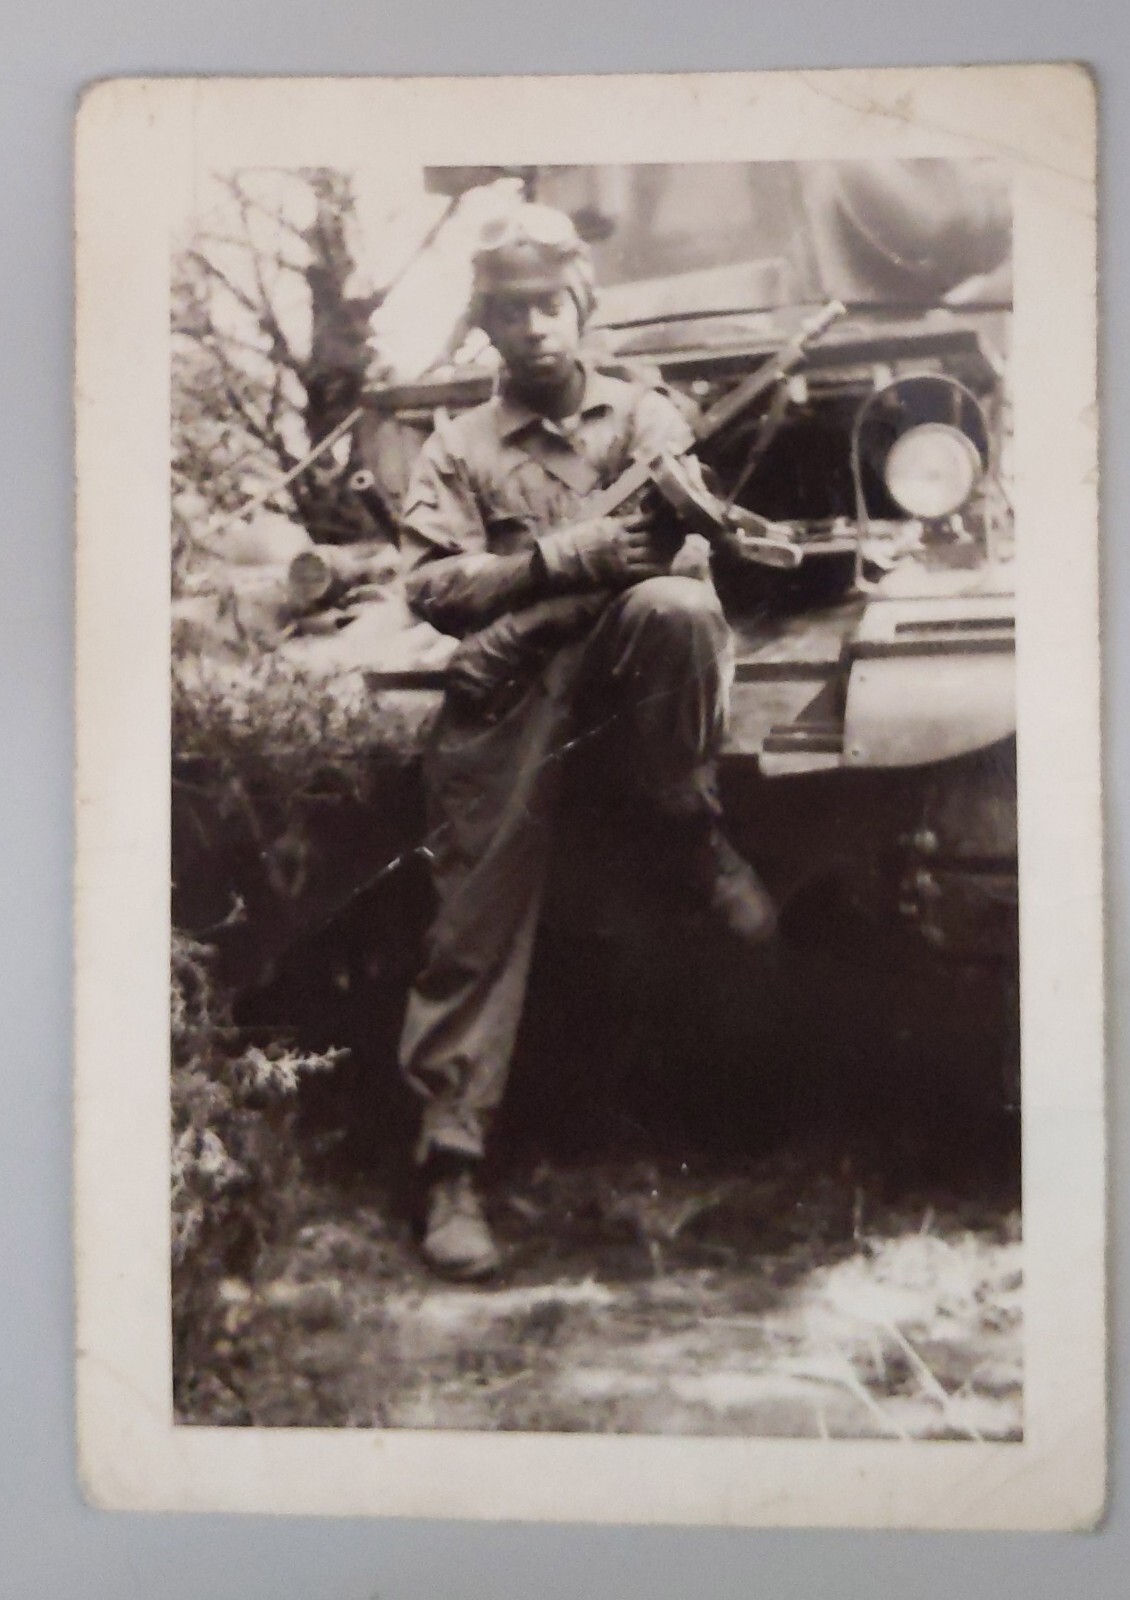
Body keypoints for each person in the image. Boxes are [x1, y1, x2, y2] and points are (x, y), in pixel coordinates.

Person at [397, 202, 777, 1280]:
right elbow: (430, 588)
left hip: (629, 674)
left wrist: (523, 607)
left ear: (582, 306)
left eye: (548, 302)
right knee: (468, 925)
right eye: (507, 308)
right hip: (511, 705)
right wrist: (561, 561)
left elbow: (676, 563)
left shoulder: (645, 418)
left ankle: (689, 827)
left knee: (674, 611)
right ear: (486, 322)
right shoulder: (457, 448)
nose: (532, 327)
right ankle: (451, 1165)